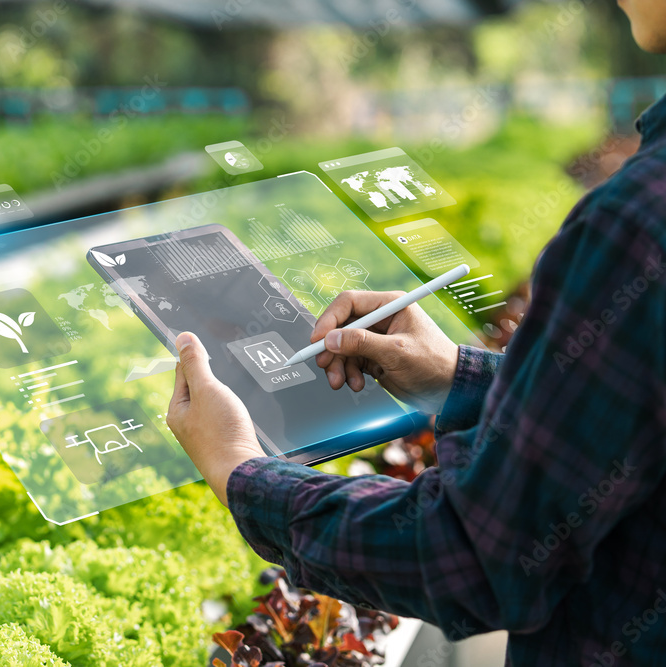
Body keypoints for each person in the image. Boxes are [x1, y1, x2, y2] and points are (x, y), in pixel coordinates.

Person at [165, 3, 666, 665]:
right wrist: (458, 374)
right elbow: (628, 413)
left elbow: (478, 555)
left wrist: (240, 472)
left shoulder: (635, 220)